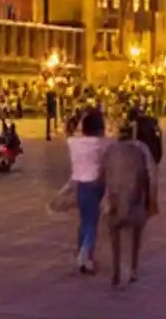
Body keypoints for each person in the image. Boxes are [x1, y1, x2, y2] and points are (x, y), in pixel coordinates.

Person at [102, 123, 156, 287]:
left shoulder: (109, 151)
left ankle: (116, 272)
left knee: (114, 236)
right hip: (135, 202)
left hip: (115, 203)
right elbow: (147, 176)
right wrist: (148, 201)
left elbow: (104, 175)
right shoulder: (139, 151)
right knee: (135, 238)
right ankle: (132, 269)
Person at [67, 109, 109, 275]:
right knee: (92, 222)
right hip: (96, 183)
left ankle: (84, 254)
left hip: (80, 184)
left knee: (85, 219)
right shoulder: (102, 144)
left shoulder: (73, 143)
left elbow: (69, 130)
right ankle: (84, 256)